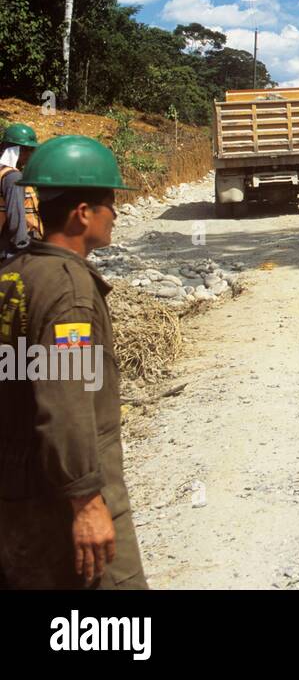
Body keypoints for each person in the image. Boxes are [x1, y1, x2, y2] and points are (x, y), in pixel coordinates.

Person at [0, 135, 147, 589]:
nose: (116, 214)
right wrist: (86, 502)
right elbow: (64, 403)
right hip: (61, 497)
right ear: (84, 213)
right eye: (109, 204)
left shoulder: (14, 275)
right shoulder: (69, 293)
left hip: (17, 490)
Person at [0, 122, 41, 261]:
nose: (30, 155)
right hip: (10, 251)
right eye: (28, 150)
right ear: (18, 150)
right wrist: (23, 247)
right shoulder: (13, 177)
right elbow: (16, 218)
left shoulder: (2, 172)